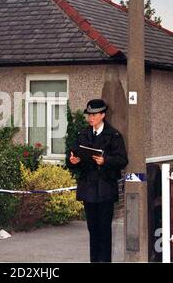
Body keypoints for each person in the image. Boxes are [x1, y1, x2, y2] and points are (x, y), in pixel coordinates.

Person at [67, 99, 128, 263]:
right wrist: (72, 160)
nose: (90, 118)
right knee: (92, 229)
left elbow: (122, 160)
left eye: (94, 115)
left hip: (105, 189)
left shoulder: (113, 135)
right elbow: (72, 155)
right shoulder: (83, 134)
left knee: (104, 230)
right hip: (88, 189)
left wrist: (105, 161)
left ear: (102, 115)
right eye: (89, 115)